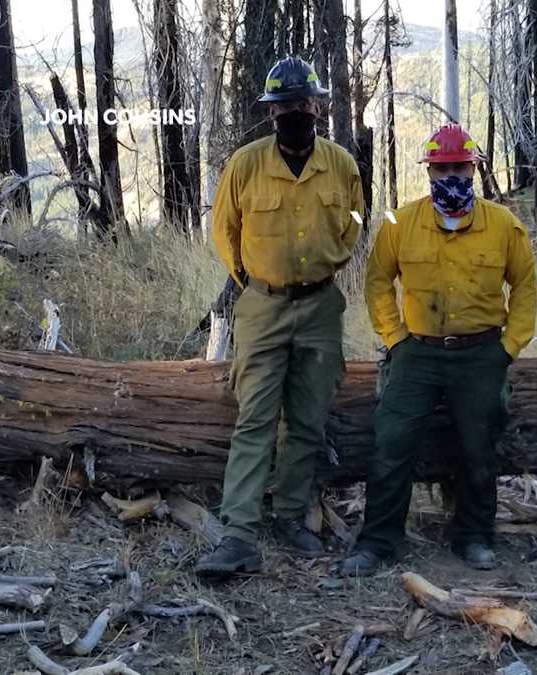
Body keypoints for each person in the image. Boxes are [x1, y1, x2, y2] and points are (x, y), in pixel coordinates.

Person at [340, 124, 537, 576]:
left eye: (459, 167)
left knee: (479, 445)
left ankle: (474, 536)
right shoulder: (400, 223)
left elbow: (525, 286)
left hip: (482, 352)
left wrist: (508, 347)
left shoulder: (503, 225)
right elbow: (377, 282)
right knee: (392, 440)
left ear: (474, 168)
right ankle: (378, 542)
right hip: (417, 352)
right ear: (429, 171)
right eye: (441, 168)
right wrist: (395, 338)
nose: (451, 176)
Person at [196, 56, 365, 579]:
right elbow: (224, 231)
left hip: (321, 308)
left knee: (308, 419)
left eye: (302, 103)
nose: (294, 112)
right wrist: (252, 278)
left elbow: (354, 221)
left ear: (317, 106)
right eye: (284, 105)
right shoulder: (245, 165)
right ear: (270, 112)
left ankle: (291, 514)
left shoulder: (341, 165)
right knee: (255, 419)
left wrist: (328, 265)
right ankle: (239, 534)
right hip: (262, 306)